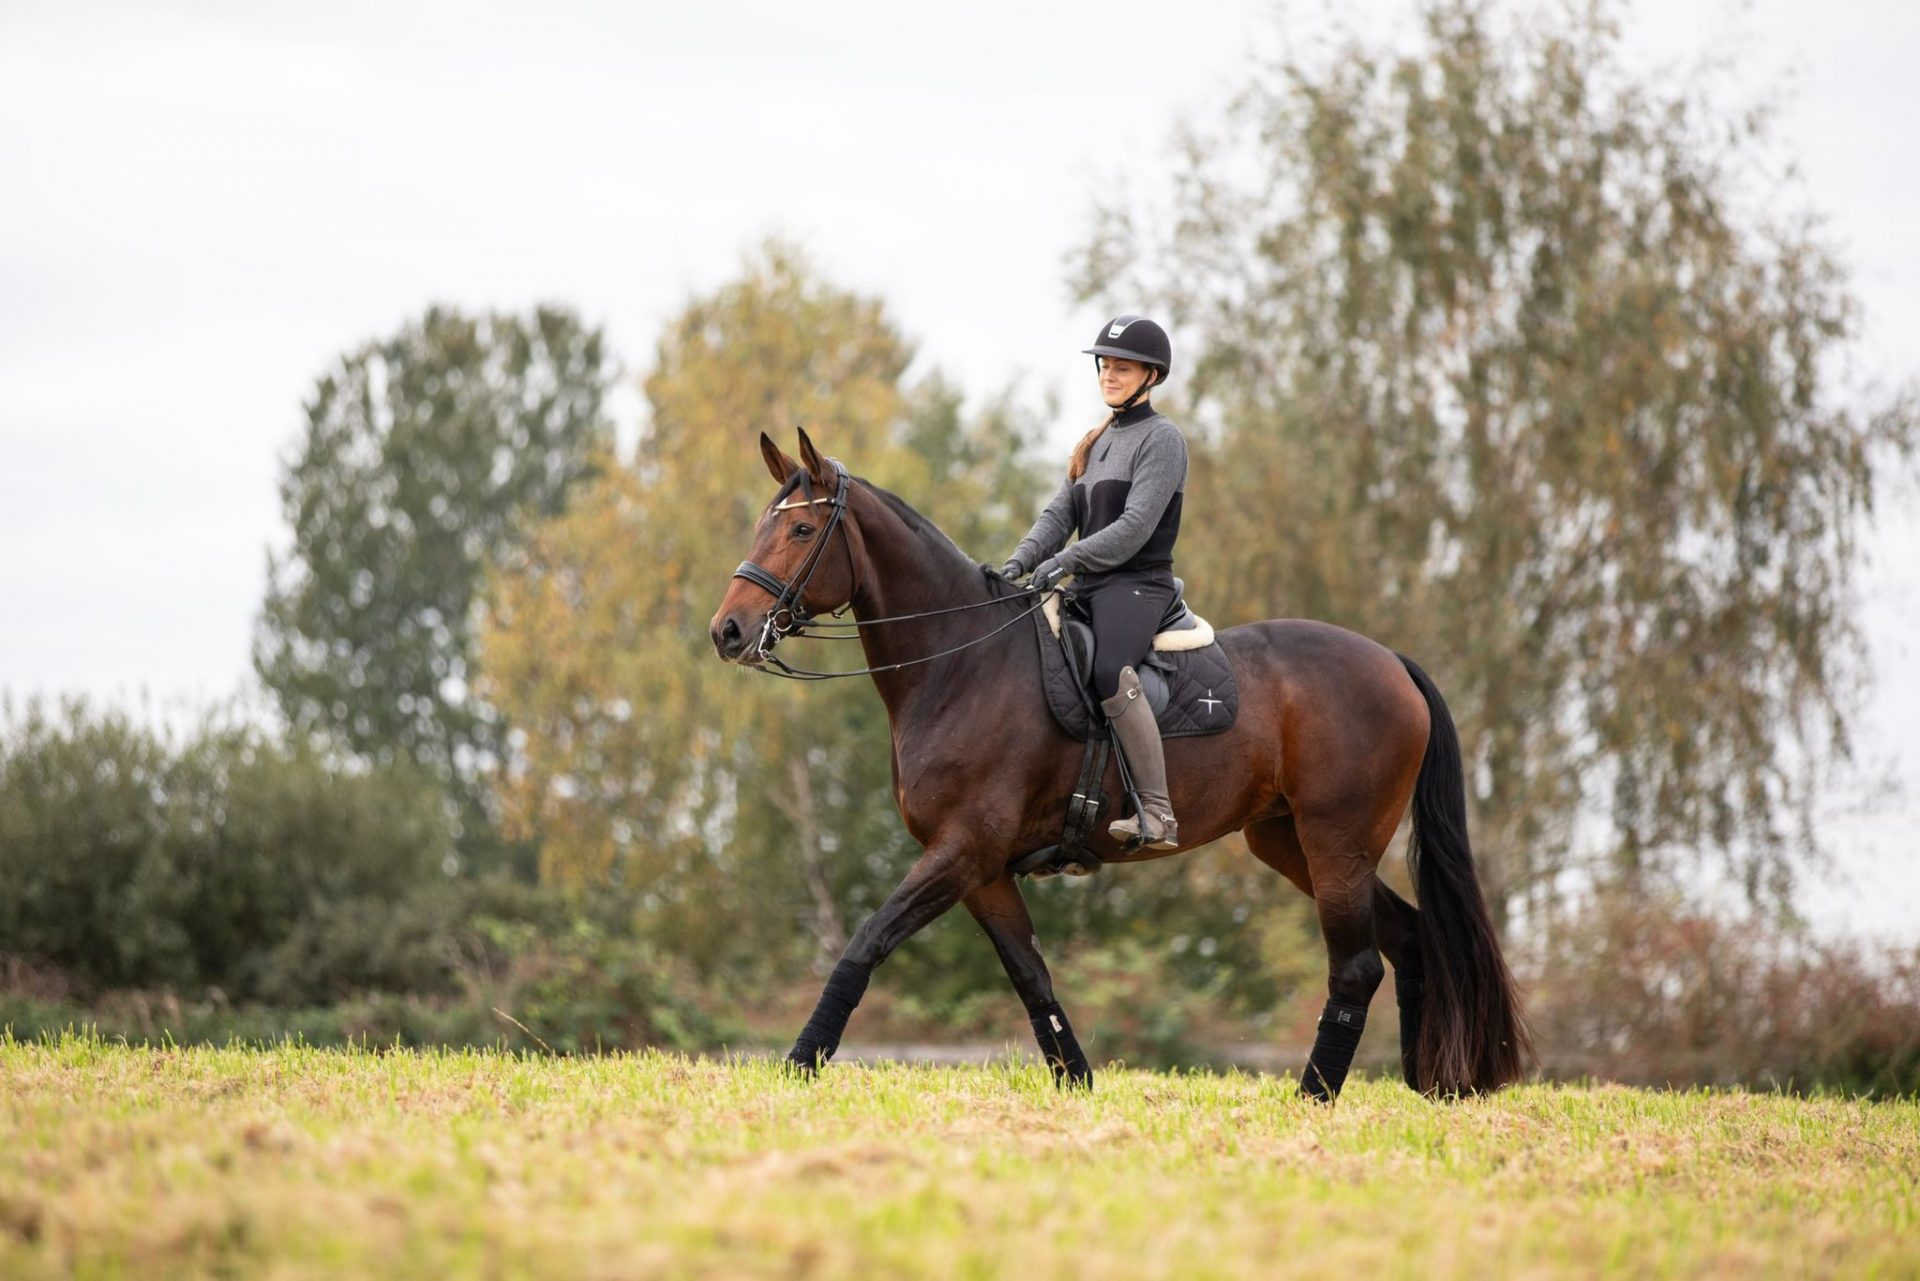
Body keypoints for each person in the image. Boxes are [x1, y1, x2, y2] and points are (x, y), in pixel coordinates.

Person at [1002, 315, 1187, 849]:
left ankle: (1157, 811)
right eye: (1105, 365)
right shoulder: (1095, 439)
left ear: (1152, 376)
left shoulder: (1163, 439)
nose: (1109, 374)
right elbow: (1058, 516)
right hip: (1089, 584)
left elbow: (1133, 529)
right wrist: (1018, 563)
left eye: (1122, 368)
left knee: (1109, 668)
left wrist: (1066, 562)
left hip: (1137, 584)